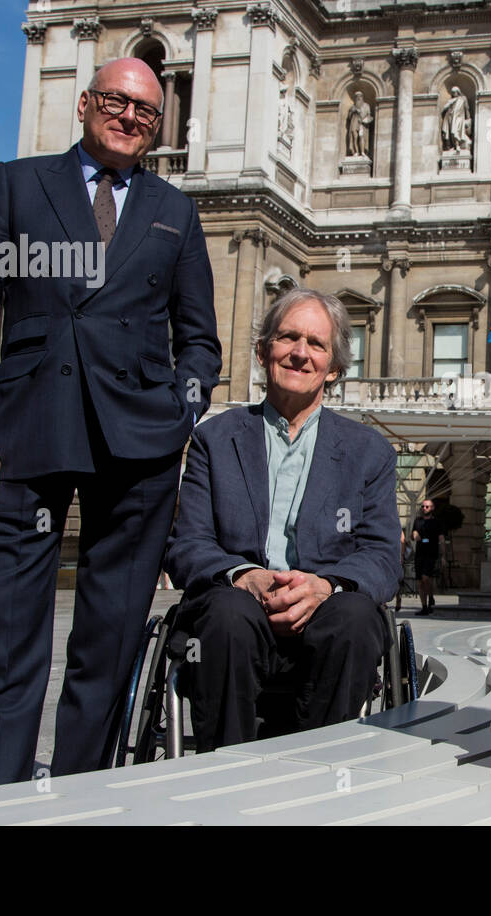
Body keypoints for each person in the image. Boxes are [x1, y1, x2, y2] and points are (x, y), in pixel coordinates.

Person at [0, 58, 221, 788]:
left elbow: (199, 339)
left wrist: (181, 411)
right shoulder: (17, 184)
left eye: (147, 112)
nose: (130, 118)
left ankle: (78, 799)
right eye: (117, 102)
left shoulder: (175, 210)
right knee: (5, 640)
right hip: (25, 435)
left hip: (139, 447)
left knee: (111, 640)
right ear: (84, 104)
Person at [164, 288, 402, 750]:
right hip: (235, 608)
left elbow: (382, 556)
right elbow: (188, 544)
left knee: (353, 618)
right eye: (287, 338)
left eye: (316, 344)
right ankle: (225, 771)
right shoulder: (215, 439)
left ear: (333, 367)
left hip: (328, 611)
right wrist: (245, 576)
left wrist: (324, 586)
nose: (300, 353)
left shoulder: (367, 452)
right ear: (262, 352)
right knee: (227, 614)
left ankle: (316, 774)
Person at [411, 498, 443, 615]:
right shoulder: (418, 521)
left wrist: (443, 556)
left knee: (426, 578)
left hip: (431, 553)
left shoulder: (436, 522)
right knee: (420, 582)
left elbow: (441, 538)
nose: (424, 508)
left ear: (432, 508)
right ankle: (424, 606)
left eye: (427, 506)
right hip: (419, 553)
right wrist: (415, 535)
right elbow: (413, 532)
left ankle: (430, 596)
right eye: (423, 506)